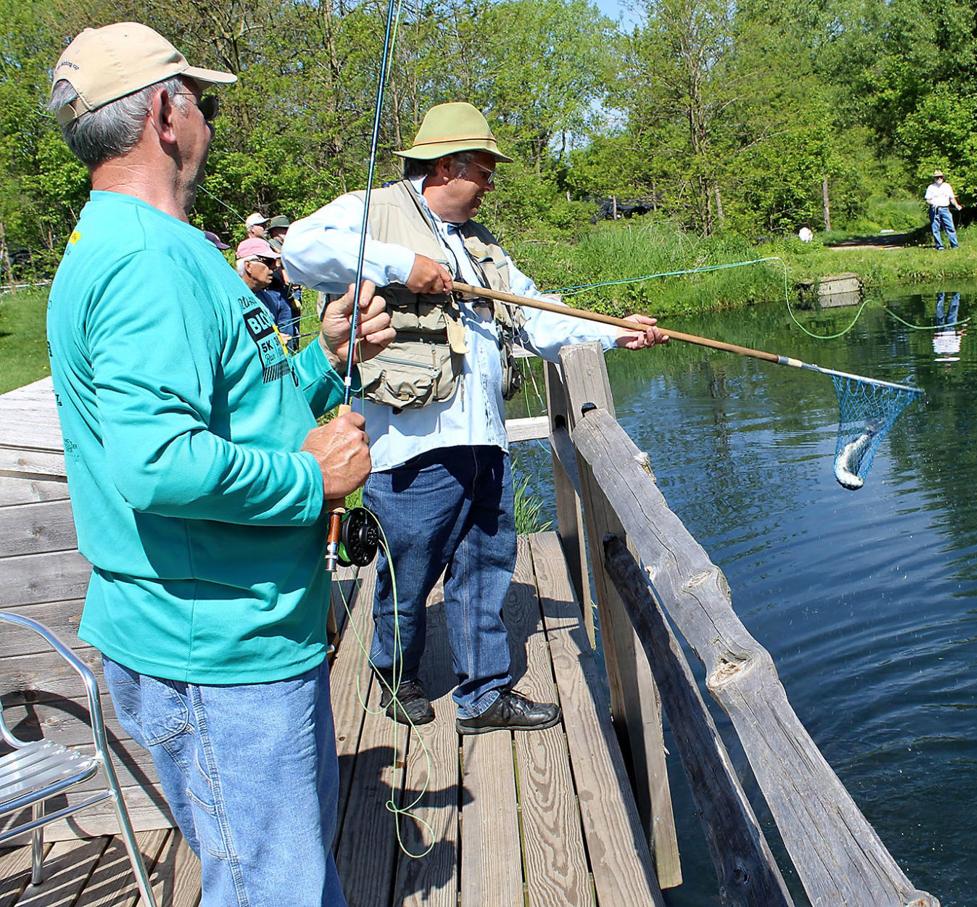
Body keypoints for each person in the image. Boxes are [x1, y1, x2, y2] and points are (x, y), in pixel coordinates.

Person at [46, 22, 394, 906]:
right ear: (166, 112)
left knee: (284, 873)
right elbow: (158, 463)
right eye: (198, 97)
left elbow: (235, 408)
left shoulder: (157, 244)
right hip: (217, 654)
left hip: (240, 639)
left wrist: (319, 356)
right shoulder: (142, 262)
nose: (208, 114)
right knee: (271, 888)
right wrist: (313, 480)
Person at [285, 101, 667, 735]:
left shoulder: (482, 246)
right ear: (447, 165)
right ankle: (395, 671)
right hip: (407, 446)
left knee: (487, 567)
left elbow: (539, 313)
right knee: (406, 573)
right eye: (485, 169)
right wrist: (401, 265)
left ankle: (483, 694)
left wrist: (611, 332)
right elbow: (299, 251)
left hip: (484, 440)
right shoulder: (369, 211)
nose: (491, 182)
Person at [236, 236, 296, 346]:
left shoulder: (272, 299)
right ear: (248, 266)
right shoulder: (230, 300)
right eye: (269, 262)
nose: (275, 266)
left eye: (275, 261)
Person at [924, 170, 962, 250]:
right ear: (934, 178)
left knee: (950, 227)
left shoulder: (947, 186)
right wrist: (932, 203)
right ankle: (939, 246)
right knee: (935, 228)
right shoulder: (931, 187)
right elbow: (927, 199)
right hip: (934, 209)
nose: (939, 178)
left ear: (943, 177)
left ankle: (954, 246)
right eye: (937, 177)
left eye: (940, 177)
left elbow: (952, 198)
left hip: (945, 209)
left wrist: (957, 205)